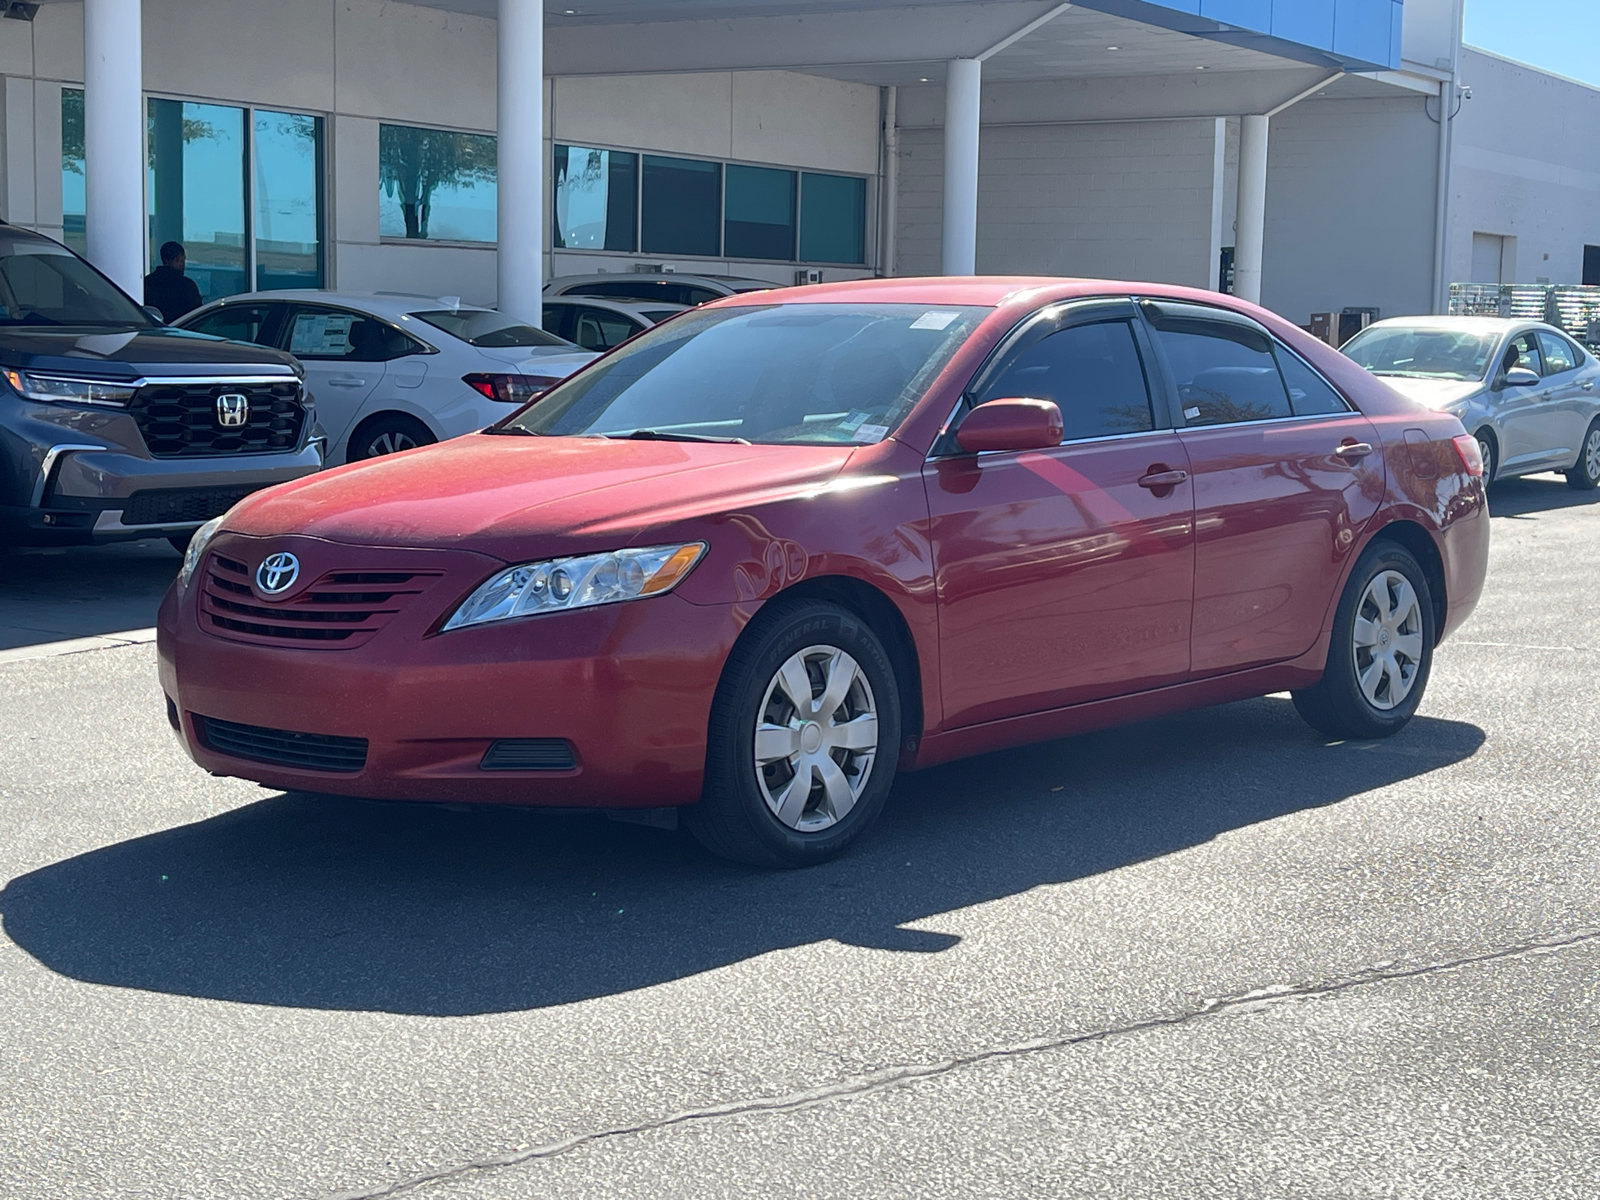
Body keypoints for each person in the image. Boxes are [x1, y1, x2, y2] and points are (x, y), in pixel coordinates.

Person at [143, 241, 203, 323]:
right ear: (178, 258)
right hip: (181, 332)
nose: (184, 264)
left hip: (152, 331)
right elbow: (197, 316)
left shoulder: (146, 283)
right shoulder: (187, 286)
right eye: (183, 259)